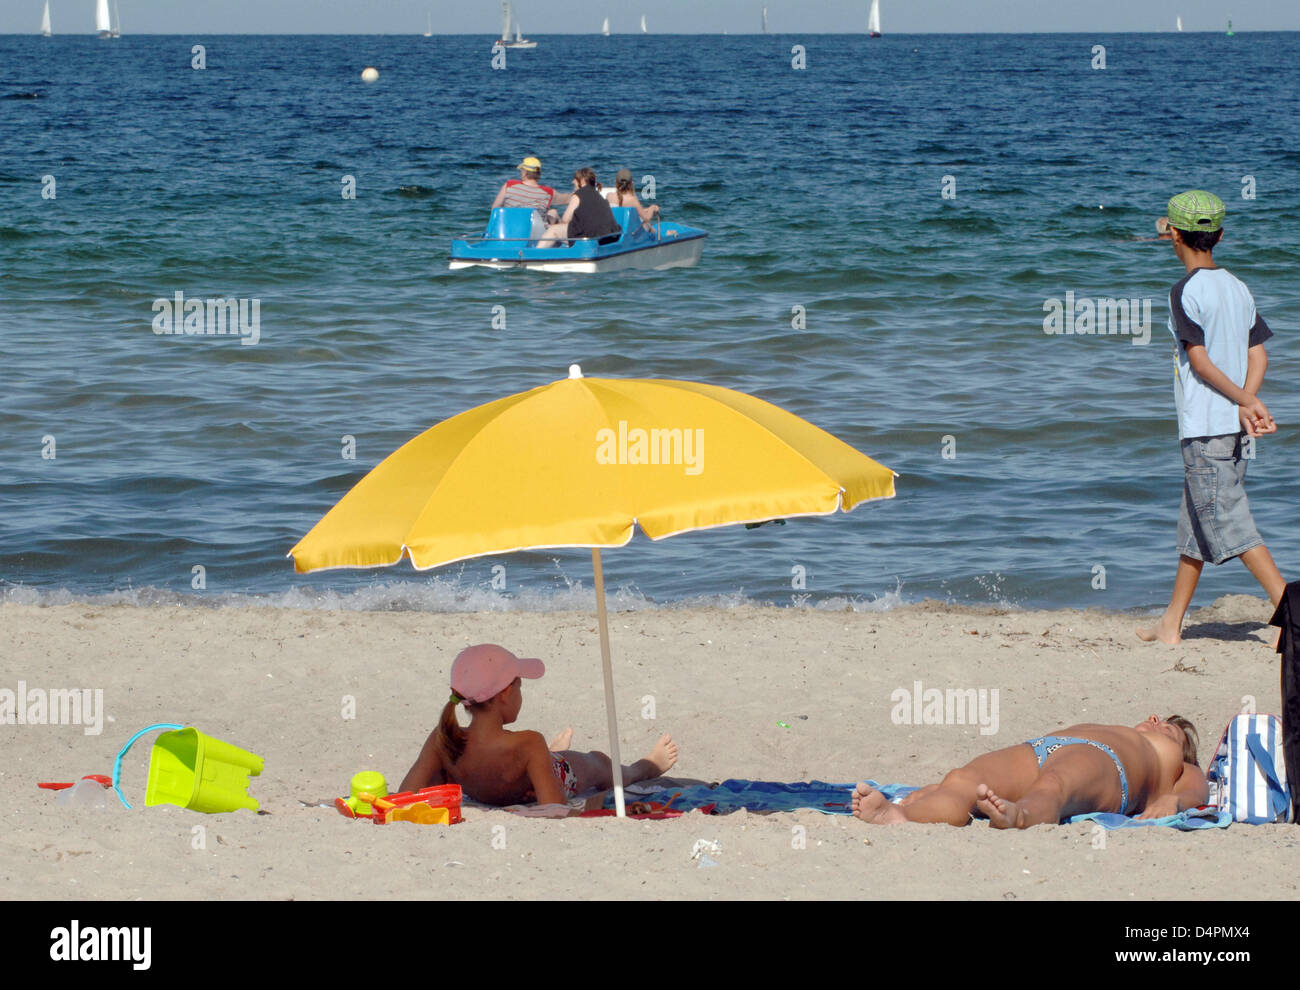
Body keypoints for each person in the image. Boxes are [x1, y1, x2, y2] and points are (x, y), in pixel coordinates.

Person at [1136, 190, 1285, 646]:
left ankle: (1291, 611)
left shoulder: (1184, 291)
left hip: (1205, 429)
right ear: (1219, 235)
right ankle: (1171, 623)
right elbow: (1257, 355)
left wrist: (1242, 401)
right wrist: (1247, 401)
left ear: (1174, 236)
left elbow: (1199, 363)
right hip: (1235, 429)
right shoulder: (1238, 287)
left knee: (1229, 521)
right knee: (1196, 524)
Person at [398, 644, 679, 806]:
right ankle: (645, 767)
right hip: (558, 770)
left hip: (528, 764)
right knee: (598, 764)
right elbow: (555, 808)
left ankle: (547, 758)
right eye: (520, 686)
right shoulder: (528, 742)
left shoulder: (444, 738)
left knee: (544, 757)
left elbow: (402, 796)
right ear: (506, 693)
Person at [852, 715, 1207, 828]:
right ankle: (900, 815)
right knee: (961, 780)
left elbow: (1198, 788)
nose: (1158, 722)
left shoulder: (1176, 762)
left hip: (1107, 763)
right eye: (1159, 717)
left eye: (1170, 729)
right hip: (1039, 749)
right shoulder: (1122, 728)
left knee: (1054, 787)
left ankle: (1020, 816)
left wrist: (1175, 800)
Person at [535, 167, 622, 249]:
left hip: (589, 237)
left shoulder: (578, 195)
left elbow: (565, 219)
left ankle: (534, 256)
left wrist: (556, 224)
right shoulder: (598, 195)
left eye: (575, 179)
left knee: (553, 230)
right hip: (606, 236)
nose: (573, 181)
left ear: (583, 181)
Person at [489, 156, 571, 223]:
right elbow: (567, 199)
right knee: (553, 213)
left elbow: (495, 208)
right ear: (539, 174)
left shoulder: (509, 185)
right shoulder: (548, 192)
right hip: (535, 232)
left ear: (524, 173)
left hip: (510, 228)